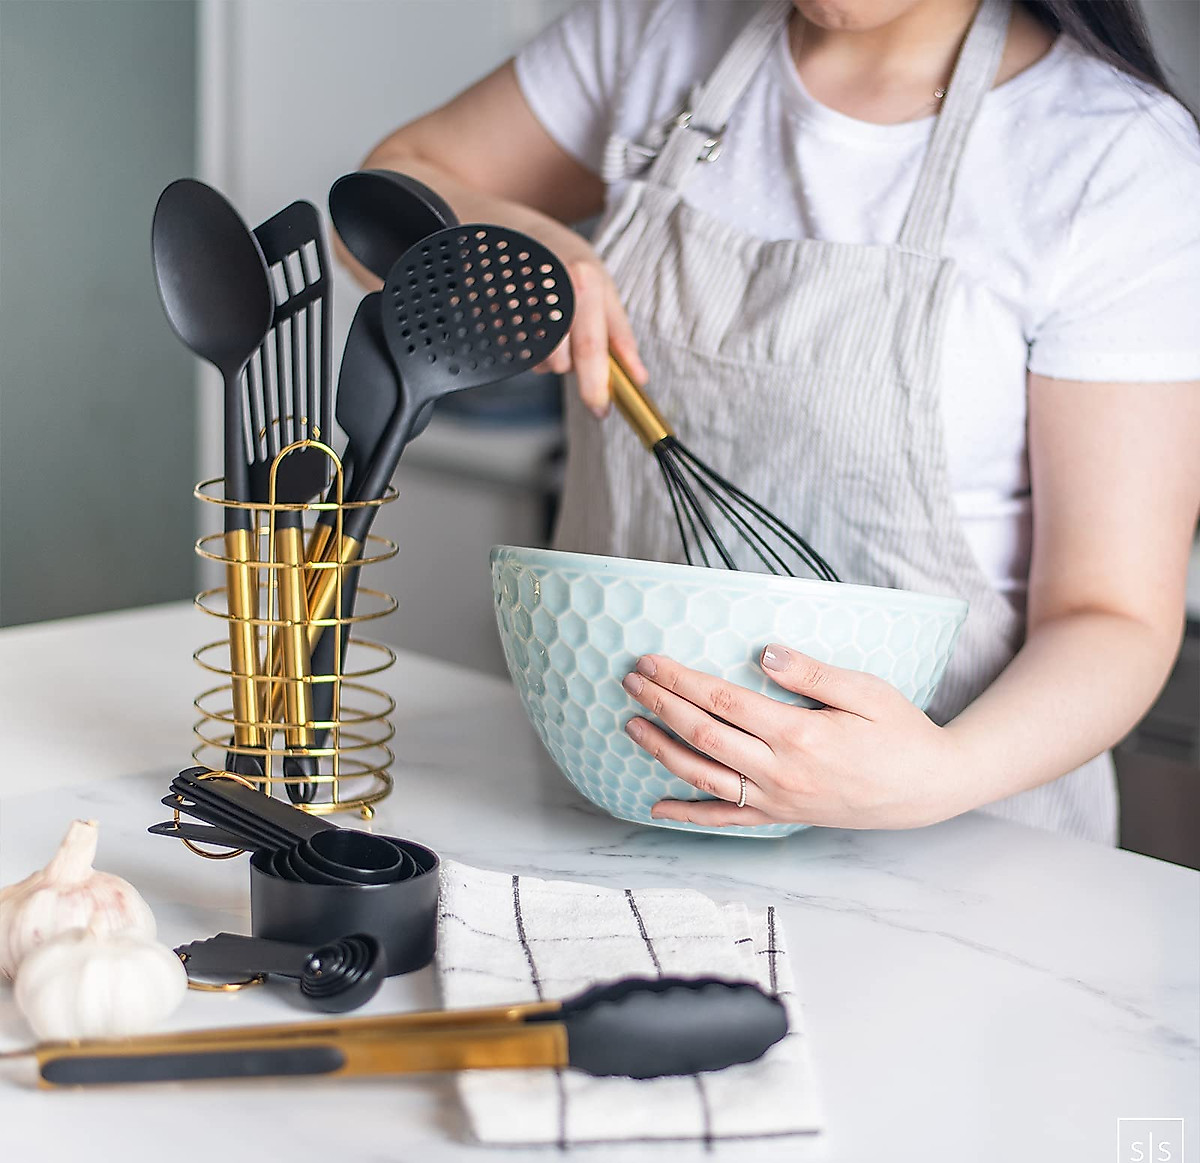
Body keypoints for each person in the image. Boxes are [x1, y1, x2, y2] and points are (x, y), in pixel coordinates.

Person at [351, 0, 1200, 841]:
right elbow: (385, 198)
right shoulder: (652, 31)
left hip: (957, 851)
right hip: (622, 806)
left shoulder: (1116, 157)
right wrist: (525, 241)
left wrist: (938, 775)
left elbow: (1112, 616)